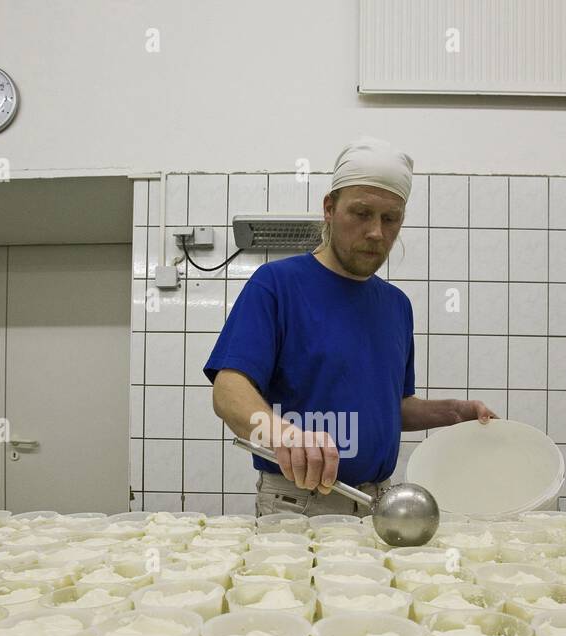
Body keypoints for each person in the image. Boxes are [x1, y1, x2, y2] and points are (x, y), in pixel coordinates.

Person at [204, 135, 497, 518]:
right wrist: (285, 436)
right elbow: (228, 392)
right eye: (361, 213)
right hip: (297, 502)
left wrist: (452, 412)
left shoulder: (396, 306)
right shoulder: (276, 285)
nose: (376, 232)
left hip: (378, 502)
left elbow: (391, 407)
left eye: (390, 219)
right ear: (329, 208)